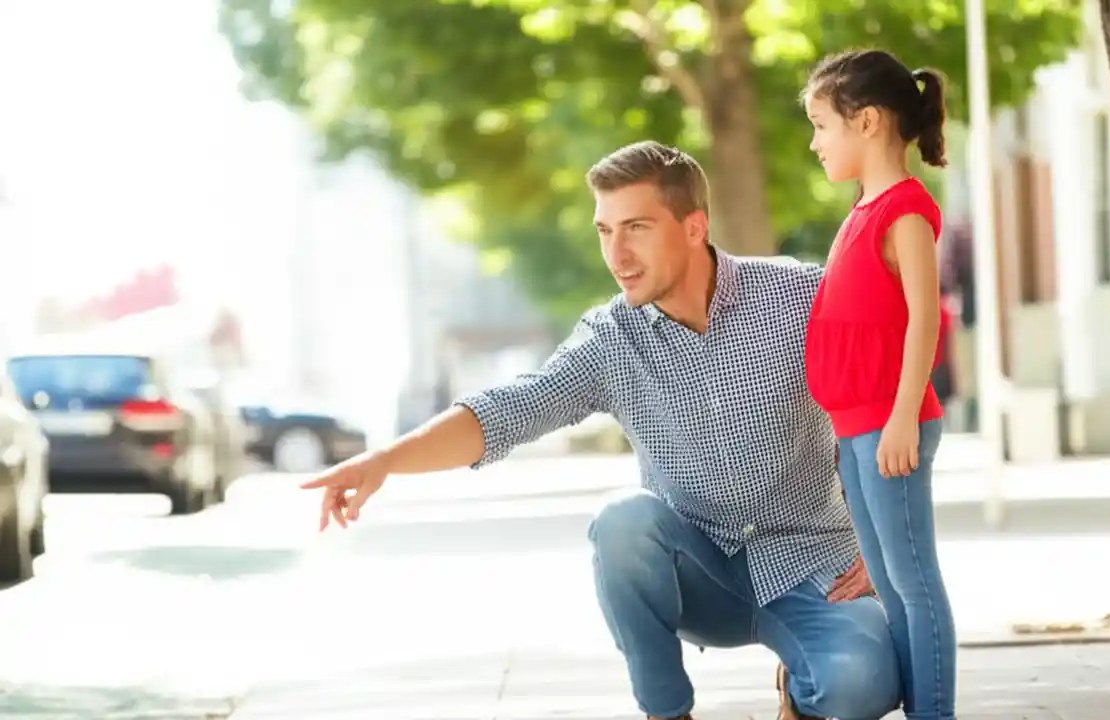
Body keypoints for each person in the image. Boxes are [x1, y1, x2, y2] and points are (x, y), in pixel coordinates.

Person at [301, 141, 902, 720]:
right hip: (697, 573)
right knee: (623, 524)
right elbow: (511, 408)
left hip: (811, 564)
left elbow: (892, 408)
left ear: (694, 227)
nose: (616, 255)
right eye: (605, 232)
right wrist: (384, 461)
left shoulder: (797, 296)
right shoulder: (611, 337)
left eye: (636, 228)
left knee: (863, 683)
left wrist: (885, 548)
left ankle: (802, 687)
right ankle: (666, 712)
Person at [801, 49, 958, 720]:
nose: (814, 142)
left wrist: (900, 419)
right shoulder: (861, 211)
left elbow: (926, 318)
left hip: (892, 426)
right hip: (856, 428)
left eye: (821, 125)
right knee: (889, 587)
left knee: (914, 583)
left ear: (866, 122)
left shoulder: (905, 211)